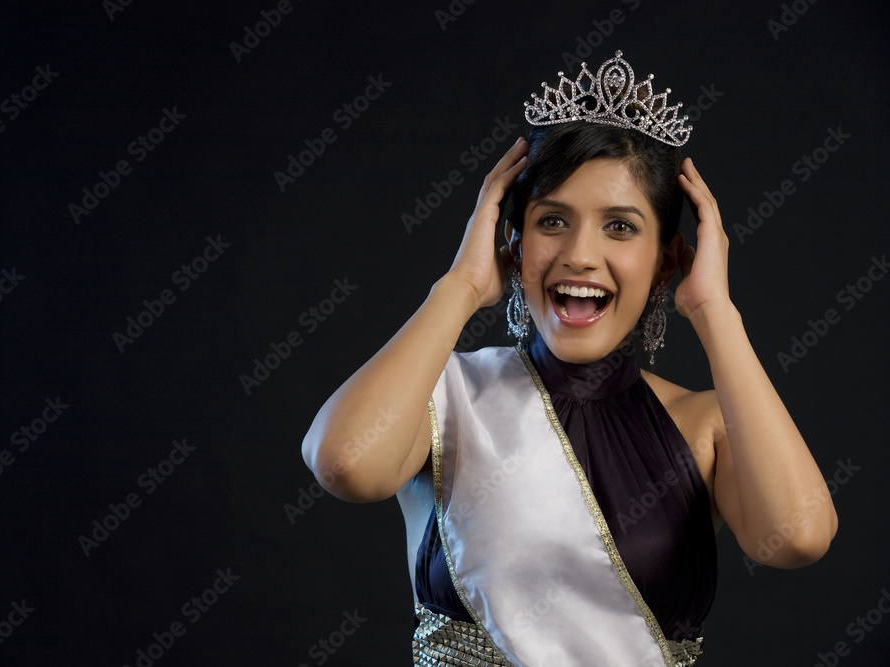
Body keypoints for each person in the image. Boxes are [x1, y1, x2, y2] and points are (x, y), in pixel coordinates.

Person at [301, 51, 837, 666]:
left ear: (666, 260)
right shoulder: (442, 394)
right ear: (513, 244)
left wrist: (715, 310)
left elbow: (798, 537)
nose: (580, 254)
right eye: (552, 220)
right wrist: (461, 286)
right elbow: (345, 464)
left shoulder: (705, 425)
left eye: (620, 227)